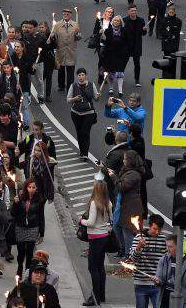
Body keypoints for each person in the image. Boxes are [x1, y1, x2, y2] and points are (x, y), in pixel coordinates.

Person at [79, 178, 112, 306]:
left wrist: (82, 221)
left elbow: (91, 223)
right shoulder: (108, 203)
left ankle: (95, 296)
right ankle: (101, 295)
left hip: (95, 238)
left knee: (92, 267)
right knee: (100, 266)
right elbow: (111, 221)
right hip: (104, 237)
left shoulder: (94, 203)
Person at [127, 214, 167, 308]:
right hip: (141, 283)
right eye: (154, 228)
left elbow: (166, 261)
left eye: (159, 229)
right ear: (149, 226)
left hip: (157, 284)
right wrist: (138, 247)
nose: (157, 232)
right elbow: (132, 260)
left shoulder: (163, 240)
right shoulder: (138, 238)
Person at [158, 233, 186, 308]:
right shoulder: (164, 260)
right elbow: (160, 278)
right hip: (165, 298)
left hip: (182, 300)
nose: (168, 249)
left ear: (178, 246)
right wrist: (157, 281)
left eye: (170, 246)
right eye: (167, 246)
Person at [66, 69, 99, 159]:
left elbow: (96, 98)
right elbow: (68, 99)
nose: (81, 77)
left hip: (89, 113)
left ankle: (85, 154)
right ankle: (82, 151)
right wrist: (75, 98)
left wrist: (97, 96)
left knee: (85, 132)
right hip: (76, 113)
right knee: (79, 133)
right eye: (79, 75)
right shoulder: (73, 86)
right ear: (77, 76)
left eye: (82, 75)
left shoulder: (91, 85)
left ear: (85, 75)